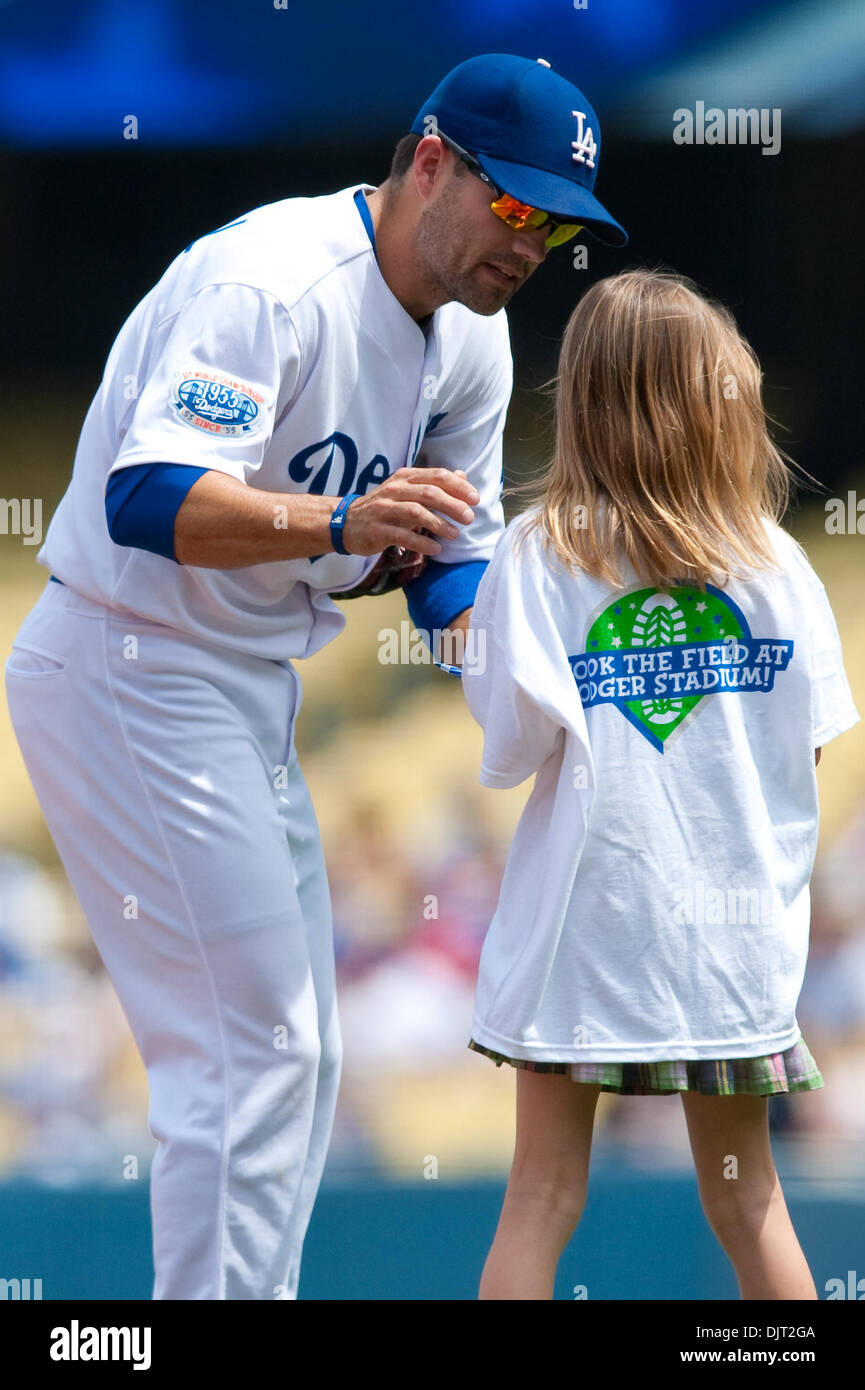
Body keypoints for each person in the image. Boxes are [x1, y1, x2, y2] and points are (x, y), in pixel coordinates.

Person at [3, 54, 627, 1300]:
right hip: (131, 652)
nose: (534, 241)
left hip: (243, 680)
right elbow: (145, 498)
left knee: (299, 1049)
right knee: (250, 1049)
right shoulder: (273, 281)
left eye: (558, 224)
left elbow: (449, 562)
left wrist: (534, 685)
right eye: (516, 205)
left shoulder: (474, 343)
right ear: (431, 160)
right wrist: (343, 525)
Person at [460, 268, 860, 1301]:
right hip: (729, 948)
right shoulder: (777, 562)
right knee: (748, 1199)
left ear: (583, 402)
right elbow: (807, 750)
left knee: (540, 1197)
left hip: (582, 934)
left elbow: (506, 751)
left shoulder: (535, 556)